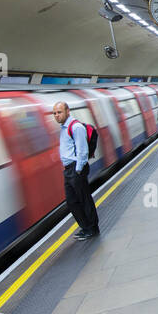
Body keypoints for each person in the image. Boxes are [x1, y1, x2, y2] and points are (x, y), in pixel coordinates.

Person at [53, 102, 99, 241]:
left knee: (84, 199)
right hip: (69, 170)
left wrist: (78, 170)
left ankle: (92, 228)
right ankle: (85, 227)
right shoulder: (64, 128)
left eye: (59, 112)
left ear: (68, 111)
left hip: (76, 169)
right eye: (54, 113)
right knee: (72, 201)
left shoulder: (76, 127)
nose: (56, 115)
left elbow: (82, 151)